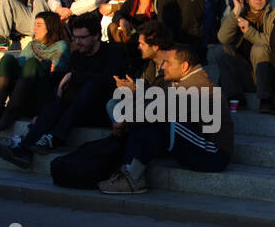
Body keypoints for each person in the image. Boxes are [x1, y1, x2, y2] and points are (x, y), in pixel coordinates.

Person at [0, 13, 125, 168]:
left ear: (96, 36)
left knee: (90, 86)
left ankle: (55, 138)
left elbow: (109, 79)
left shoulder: (111, 52)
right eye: (75, 38)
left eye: (82, 38)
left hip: (100, 110)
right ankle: (25, 148)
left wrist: (74, 76)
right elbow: (64, 83)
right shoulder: (77, 56)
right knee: (56, 103)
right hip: (76, 109)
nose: (78, 42)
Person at [98, 42, 232, 194]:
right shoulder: (182, 82)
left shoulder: (198, 87)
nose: (162, 67)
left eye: (167, 63)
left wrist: (122, 121)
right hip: (192, 143)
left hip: (213, 154)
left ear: (184, 66)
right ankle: (129, 168)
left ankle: (132, 177)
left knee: (158, 121)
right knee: (123, 107)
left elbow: (156, 110)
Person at [0, 10, 70, 133]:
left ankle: (11, 111)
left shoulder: (61, 46)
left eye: (39, 25)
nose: (34, 28)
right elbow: (19, 70)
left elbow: (55, 76)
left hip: (43, 99)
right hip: (23, 94)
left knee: (31, 64)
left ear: (50, 27)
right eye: (34, 24)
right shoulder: (32, 45)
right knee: (7, 59)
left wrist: (38, 66)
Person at [217, 0, 275, 113]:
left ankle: (266, 99)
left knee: (259, 48)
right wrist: (236, 11)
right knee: (221, 51)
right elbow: (222, 38)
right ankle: (236, 98)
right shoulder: (241, 14)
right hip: (245, 73)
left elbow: (273, 42)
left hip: (265, 74)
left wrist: (249, 31)